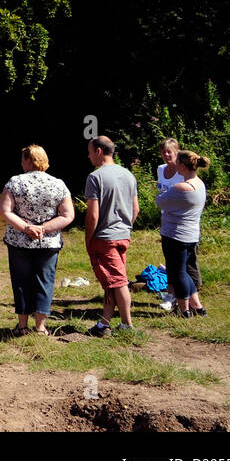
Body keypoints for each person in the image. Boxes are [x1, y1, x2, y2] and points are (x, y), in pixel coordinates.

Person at [0, 144, 75, 335]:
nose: (21, 162)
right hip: (48, 242)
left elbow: (5, 211)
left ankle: (23, 326)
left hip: (19, 241)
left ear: (28, 160)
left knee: (21, 281)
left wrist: (26, 228)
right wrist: (43, 228)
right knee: (45, 281)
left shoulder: (15, 182)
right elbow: (67, 215)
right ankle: (40, 327)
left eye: (23, 159)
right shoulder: (58, 184)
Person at [84, 135, 140, 336]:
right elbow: (136, 209)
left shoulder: (95, 177)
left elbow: (93, 214)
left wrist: (88, 238)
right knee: (111, 281)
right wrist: (125, 227)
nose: (89, 156)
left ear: (99, 151)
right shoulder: (129, 175)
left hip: (104, 238)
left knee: (119, 282)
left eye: (90, 152)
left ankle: (127, 325)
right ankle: (104, 323)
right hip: (123, 235)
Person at [156, 149, 210, 318]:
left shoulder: (181, 187)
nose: (174, 164)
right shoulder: (200, 184)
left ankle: (184, 310)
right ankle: (198, 306)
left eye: (177, 161)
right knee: (184, 271)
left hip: (175, 235)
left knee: (177, 273)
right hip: (191, 234)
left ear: (183, 165)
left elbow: (160, 201)